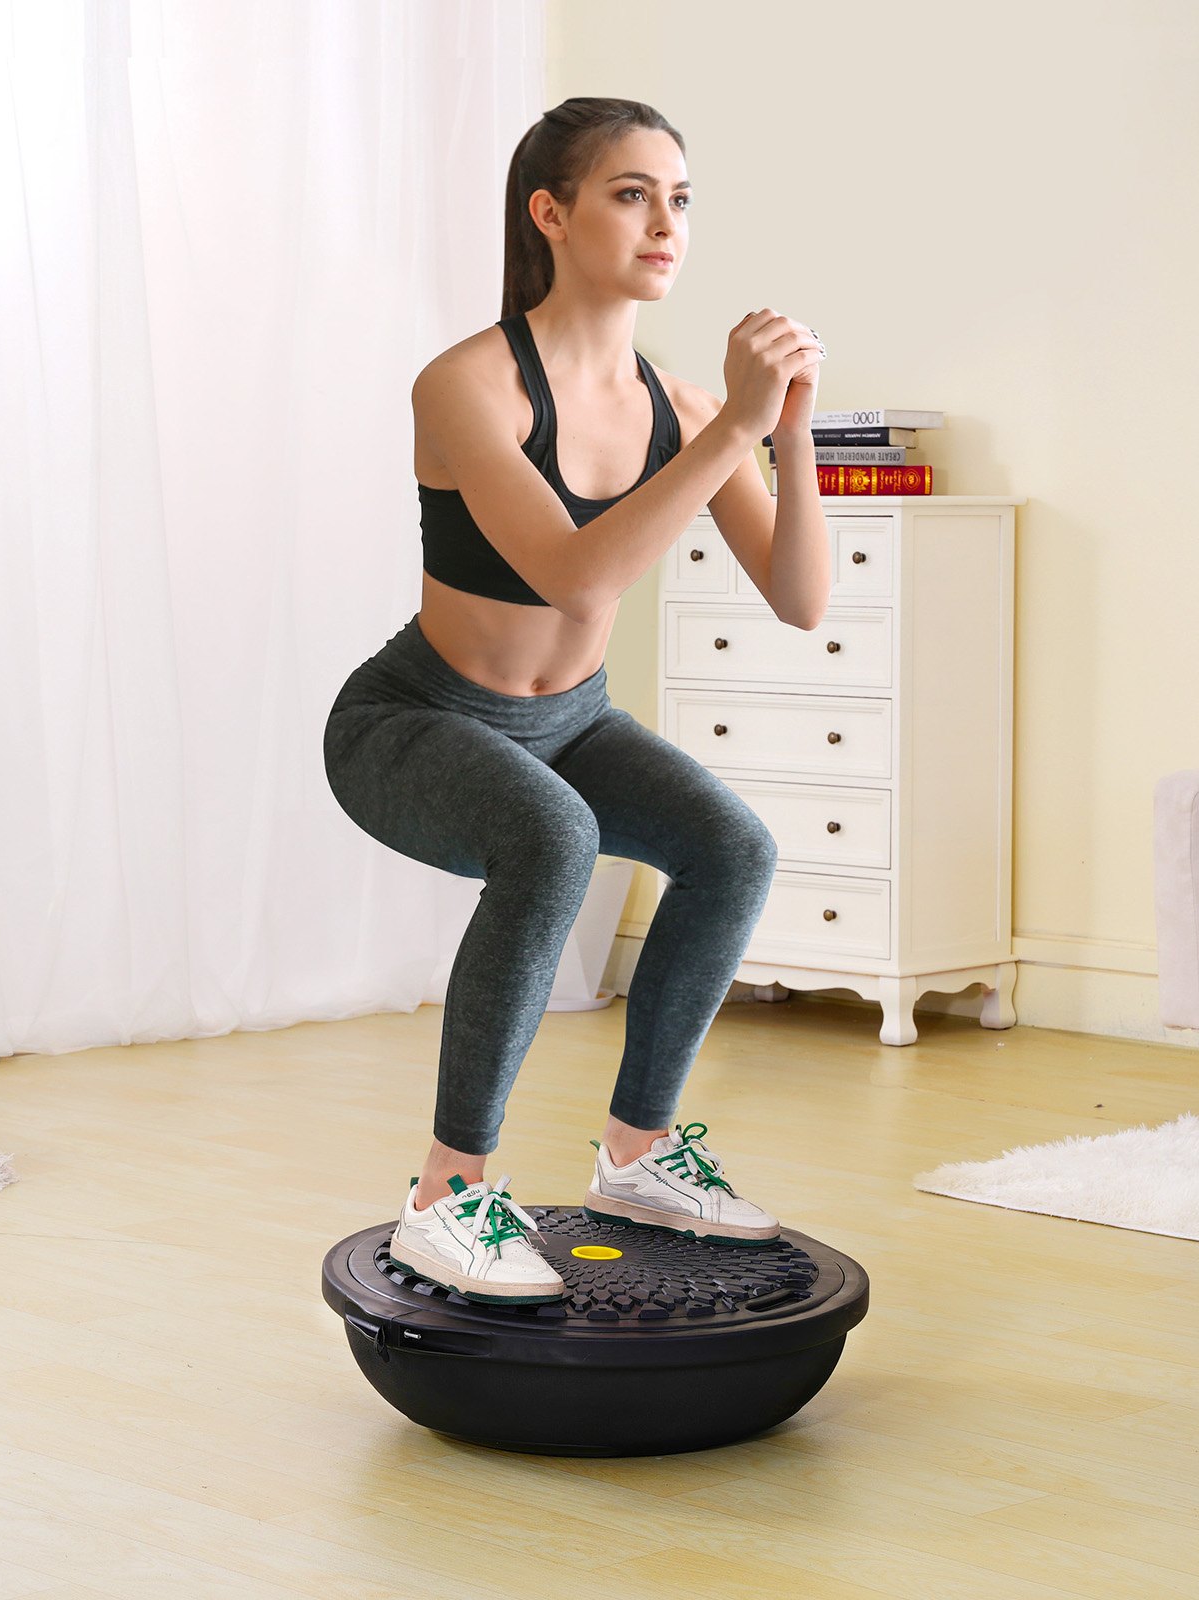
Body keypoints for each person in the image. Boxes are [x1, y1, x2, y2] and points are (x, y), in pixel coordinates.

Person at [322, 96, 828, 1305]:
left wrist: (786, 432)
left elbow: (801, 597)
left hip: (570, 720)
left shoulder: (687, 410)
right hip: (416, 722)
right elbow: (577, 568)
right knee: (550, 837)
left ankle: (639, 1156)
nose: (666, 223)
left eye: (681, 199)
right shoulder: (467, 385)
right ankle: (445, 1199)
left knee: (731, 848)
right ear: (550, 212)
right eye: (631, 193)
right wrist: (733, 432)